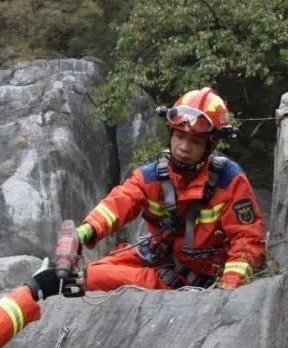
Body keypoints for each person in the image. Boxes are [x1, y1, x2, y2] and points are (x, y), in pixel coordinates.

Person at [78, 87, 265, 291]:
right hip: (159, 257)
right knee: (82, 275)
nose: (184, 147)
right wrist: (85, 231)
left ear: (210, 146)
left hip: (194, 280)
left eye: (195, 141)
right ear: (170, 134)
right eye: (179, 136)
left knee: (91, 279)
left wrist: (226, 290)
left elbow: (247, 241)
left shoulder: (229, 181)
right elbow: (119, 203)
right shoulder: (152, 177)